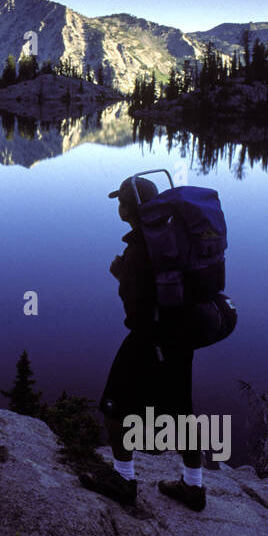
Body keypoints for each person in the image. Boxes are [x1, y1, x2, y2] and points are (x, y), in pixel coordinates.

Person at [81, 175, 206, 512]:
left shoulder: (138, 252)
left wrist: (122, 275)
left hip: (148, 340)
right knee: (182, 410)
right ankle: (194, 485)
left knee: (114, 407)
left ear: (129, 210)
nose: (117, 208)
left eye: (120, 202)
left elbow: (136, 313)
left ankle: (123, 479)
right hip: (181, 338)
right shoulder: (173, 240)